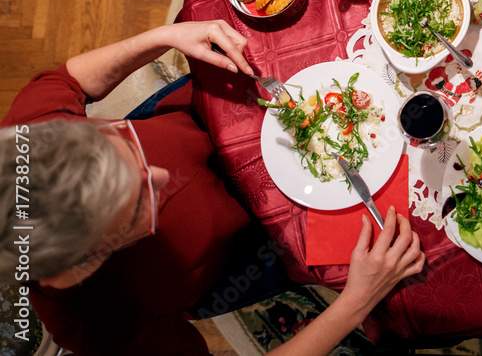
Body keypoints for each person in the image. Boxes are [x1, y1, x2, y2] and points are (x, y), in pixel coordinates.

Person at [0, 20, 424, 355]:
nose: (160, 174)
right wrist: (355, 303)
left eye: (124, 144)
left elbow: (68, 81)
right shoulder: (103, 332)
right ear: (77, 270)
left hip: (206, 117)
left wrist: (163, 37)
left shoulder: (24, 142)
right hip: (251, 244)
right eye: (136, 207)